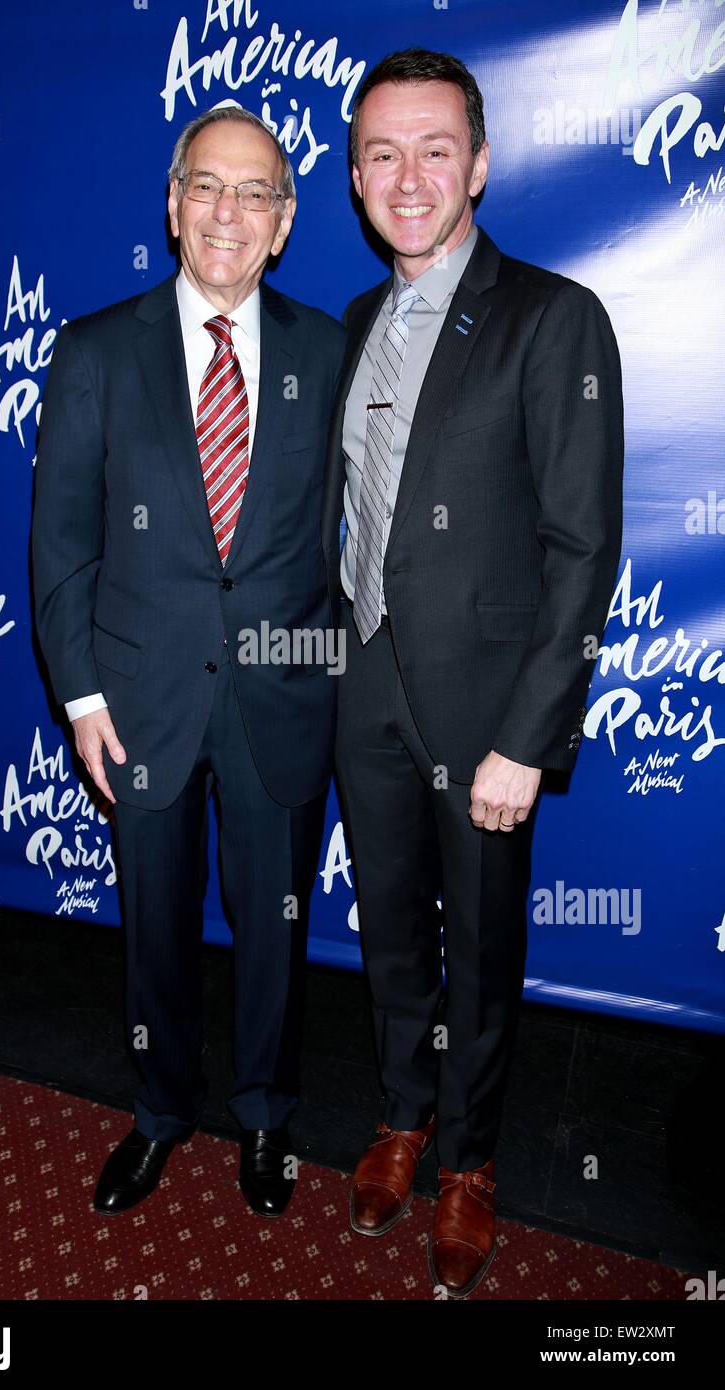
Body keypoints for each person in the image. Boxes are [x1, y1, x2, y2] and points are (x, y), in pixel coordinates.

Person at [322, 48, 624, 1296]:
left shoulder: (553, 319)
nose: (408, 175)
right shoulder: (350, 322)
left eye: (433, 148)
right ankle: (402, 1115)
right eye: (381, 153)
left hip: (487, 714)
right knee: (390, 930)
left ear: (480, 164)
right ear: (352, 178)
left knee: (485, 946)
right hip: (364, 682)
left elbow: (580, 548)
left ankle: (471, 1161)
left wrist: (527, 736)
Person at [32, 106, 345, 1220]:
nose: (226, 211)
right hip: (141, 703)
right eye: (205, 187)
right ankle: (160, 1112)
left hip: (280, 698)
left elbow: (351, 539)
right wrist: (80, 694)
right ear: (171, 204)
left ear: (283, 223)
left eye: (254, 193)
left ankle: (267, 1118)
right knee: (152, 927)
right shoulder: (94, 348)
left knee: (275, 926)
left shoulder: (326, 350)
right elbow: (64, 541)